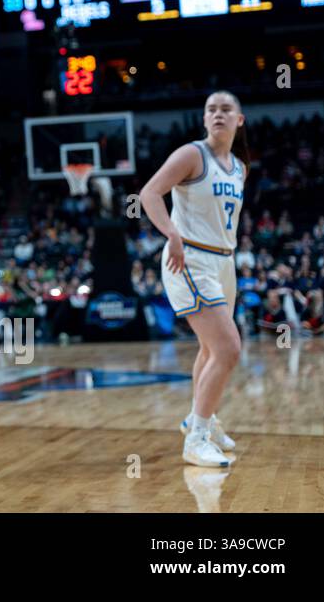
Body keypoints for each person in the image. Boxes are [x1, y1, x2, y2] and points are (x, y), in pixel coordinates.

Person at [139, 91, 248, 467]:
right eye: (211, 110)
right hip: (190, 259)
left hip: (224, 262)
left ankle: (200, 418)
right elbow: (149, 193)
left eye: (225, 109)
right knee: (229, 349)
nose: (217, 114)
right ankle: (196, 439)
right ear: (204, 119)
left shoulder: (238, 168)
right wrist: (171, 233)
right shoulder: (191, 155)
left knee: (209, 350)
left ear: (239, 119)